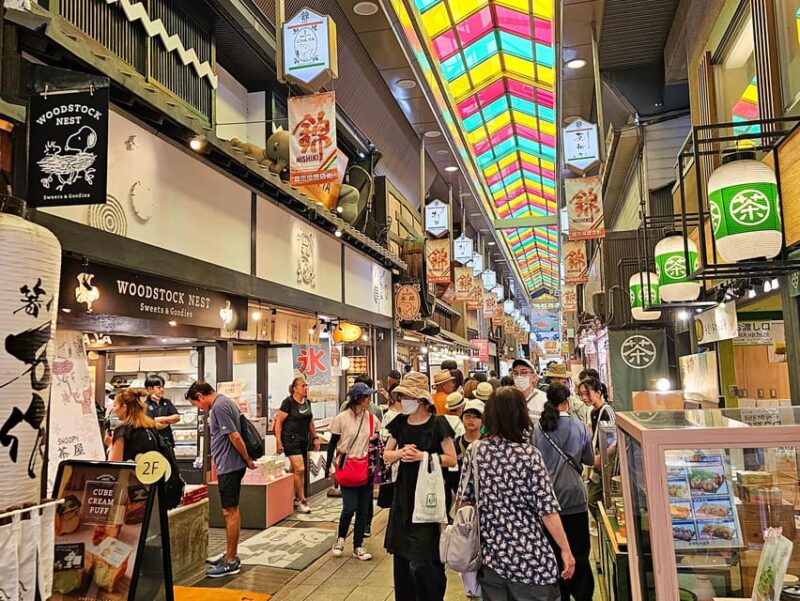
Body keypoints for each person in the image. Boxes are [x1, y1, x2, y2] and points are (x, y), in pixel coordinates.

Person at [457, 386, 575, 600]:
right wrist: (565, 549)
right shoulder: (529, 455)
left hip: (491, 559)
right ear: (521, 415)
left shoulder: (475, 451)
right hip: (531, 560)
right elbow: (547, 510)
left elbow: (464, 502)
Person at [384, 371, 457, 601]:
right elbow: (386, 455)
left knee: (425, 561)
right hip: (404, 498)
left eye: (408, 397)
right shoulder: (399, 423)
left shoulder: (438, 424)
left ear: (421, 400)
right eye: (402, 396)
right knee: (403, 562)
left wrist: (423, 456)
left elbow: (451, 458)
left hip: (429, 498)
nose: (403, 401)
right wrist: (400, 453)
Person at [186, 382, 256, 578]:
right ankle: (229, 554)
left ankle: (231, 561)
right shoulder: (225, 402)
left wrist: (247, 458)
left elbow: (234, 436)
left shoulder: (219, 406)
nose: (199, 408)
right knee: (230, 510)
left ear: (200, 396)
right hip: (230, 465)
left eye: (195, 404)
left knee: (229, 511)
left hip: (230, 466)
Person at [533, 384, 595, 600]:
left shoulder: (538, 428)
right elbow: (589, 459)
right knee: (579, 553)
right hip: (574, 498)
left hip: (547, 501)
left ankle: (561, 593)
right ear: (567, 401)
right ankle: (582, 594)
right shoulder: (578, 426)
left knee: (554, 553)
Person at [327, 382, 381, 561]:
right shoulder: (341, 418)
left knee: (363, 509)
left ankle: (358, 545)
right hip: (347, 466)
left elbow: (378, 442)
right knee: (349, 507)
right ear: (357, 398)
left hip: (366, 467)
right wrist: (329, 466)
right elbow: (333, 443)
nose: (369, 399)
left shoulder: (372, 419)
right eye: (366, 396)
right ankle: (340, 539)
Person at [274, 377, 320, 514]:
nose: (305, 388)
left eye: (306, 386)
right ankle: (302, 500)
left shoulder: (307, 403)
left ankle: (291, 497)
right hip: (290, 439)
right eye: (302, 386)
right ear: (294, 388)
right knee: (300, 469)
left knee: (294, 470)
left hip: (303, 439)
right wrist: (278, 441)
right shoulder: (288, 402)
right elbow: (278, 423)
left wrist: (315, 437)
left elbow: (310, 421)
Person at [579, 377, 616, 531]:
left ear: (599, 392)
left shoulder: (607, 411)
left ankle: (605, 529)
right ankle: (603, 528)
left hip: (607, 464)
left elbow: (615, 440)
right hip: (598, 462)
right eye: (581, 394)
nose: (583, 398)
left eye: (587, 394)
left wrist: (602, 457)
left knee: (593, 500)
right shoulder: (594, 411)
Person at [108, 388, 160, 462]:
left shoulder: (122, 431)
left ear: (124, 407)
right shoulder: (150, 427)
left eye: (115, 405)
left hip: (128, 473)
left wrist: (110, 446)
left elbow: (114, 464)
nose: (114, 409)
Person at [144, 375, 180, 448]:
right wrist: (169, 420)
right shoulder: (145, 405)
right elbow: (152, 424)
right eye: (159, 387)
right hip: (153, 442)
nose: (162, 389)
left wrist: (158, 419)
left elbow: (177, 417)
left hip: (168, 441)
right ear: (150, 389)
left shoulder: (167, 402)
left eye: (163, 387)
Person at [511, 358, 548, 424]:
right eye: (516, 373)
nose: (519, 376)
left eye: (524, 373)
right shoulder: (507, 398)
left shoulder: (544, 399)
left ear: (533, 377)